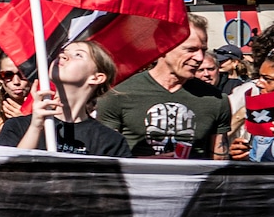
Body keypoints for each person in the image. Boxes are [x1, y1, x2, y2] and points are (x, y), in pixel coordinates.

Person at [95, 20, 228, 159]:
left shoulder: (216, 99)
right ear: (163, 45)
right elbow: (105, 160)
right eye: (191, 49)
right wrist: (149, 163)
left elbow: (218, 162)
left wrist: (238, 157)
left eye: (204, 50)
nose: (199, 58)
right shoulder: (119, 94)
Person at [0, 42, 132, 155]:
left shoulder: (110, 141)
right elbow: (1, 177)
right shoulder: (17, 126)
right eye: (63, 52)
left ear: (96, 78)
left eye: (78, 55)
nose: (62, 56)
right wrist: (35, 128)